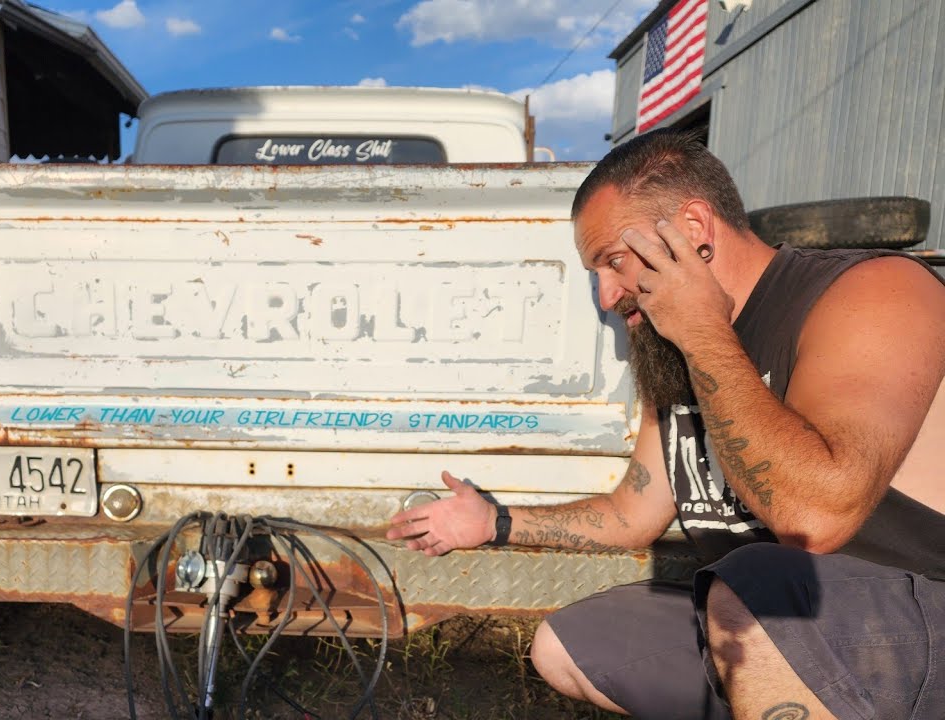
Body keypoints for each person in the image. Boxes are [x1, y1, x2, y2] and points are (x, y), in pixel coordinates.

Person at [386, 127, 945, 720]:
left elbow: (816, 518)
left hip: (914, 616)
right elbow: (633, 514)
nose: (605, 295)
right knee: (571, 645)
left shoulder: (871, 290)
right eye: (593, 272)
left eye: (613, 261)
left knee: (750, 587)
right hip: (768, 622)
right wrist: (494, 521)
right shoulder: (676, 348)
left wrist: (704, 331)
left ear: (694, 232)